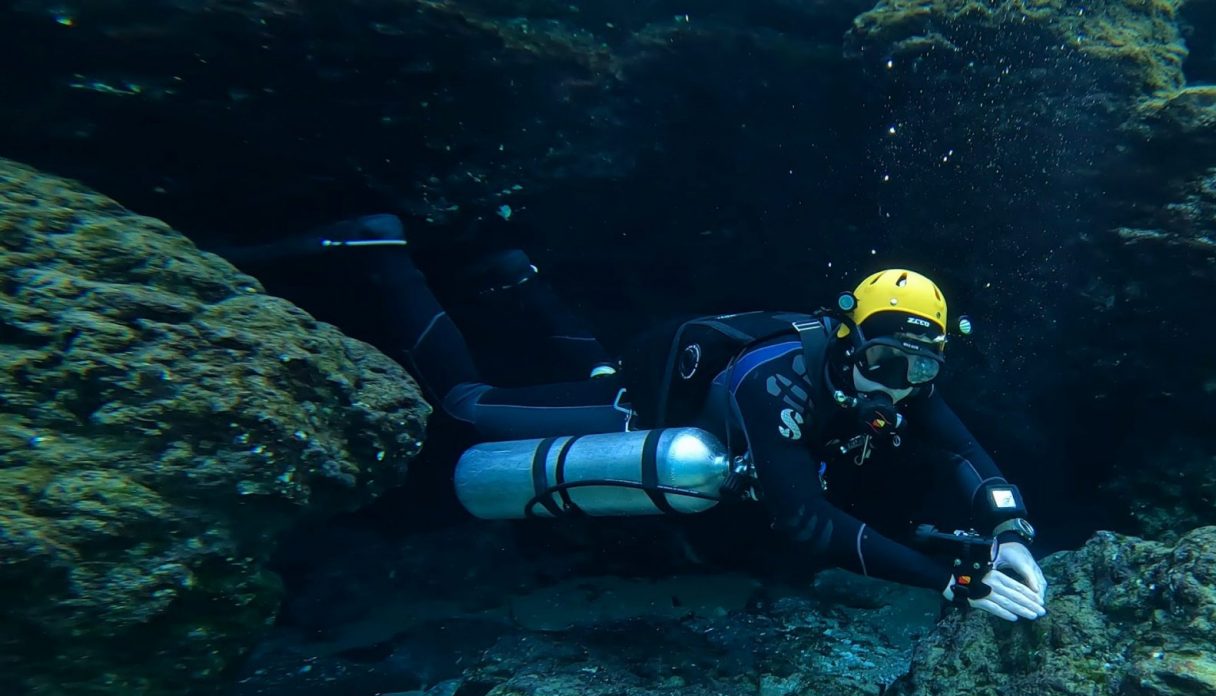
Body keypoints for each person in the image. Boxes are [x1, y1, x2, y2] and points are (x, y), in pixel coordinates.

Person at [217, 215, 1048, 622]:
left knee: (595, 360)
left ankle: (513, 272)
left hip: (671, 383)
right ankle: (382, 257)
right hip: (647, 405)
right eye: (885, 362)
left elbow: (968, 457)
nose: (898, 387)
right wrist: (952, 579)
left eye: (921, 368)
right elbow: (803, 518)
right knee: (470, 407)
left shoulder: (901, 385)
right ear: (844, 338)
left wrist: (1008, 534)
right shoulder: (778, 385)